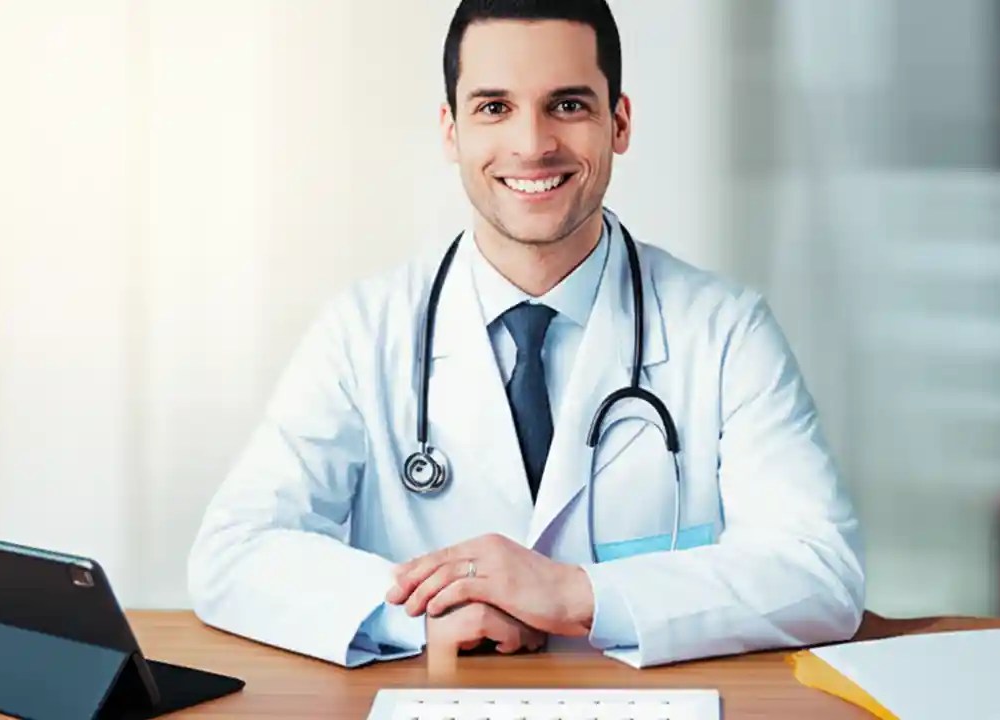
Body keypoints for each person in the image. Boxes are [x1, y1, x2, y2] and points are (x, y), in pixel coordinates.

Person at [187, 0, 864, 669]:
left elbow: (820, 570)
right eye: (493, 107)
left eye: (567, 105)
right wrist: (426, 612)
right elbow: (235, 550)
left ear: (618, 122)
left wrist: (573, 594)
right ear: (450, 131)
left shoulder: (724, 331)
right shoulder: (364, 331)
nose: (532, 144)